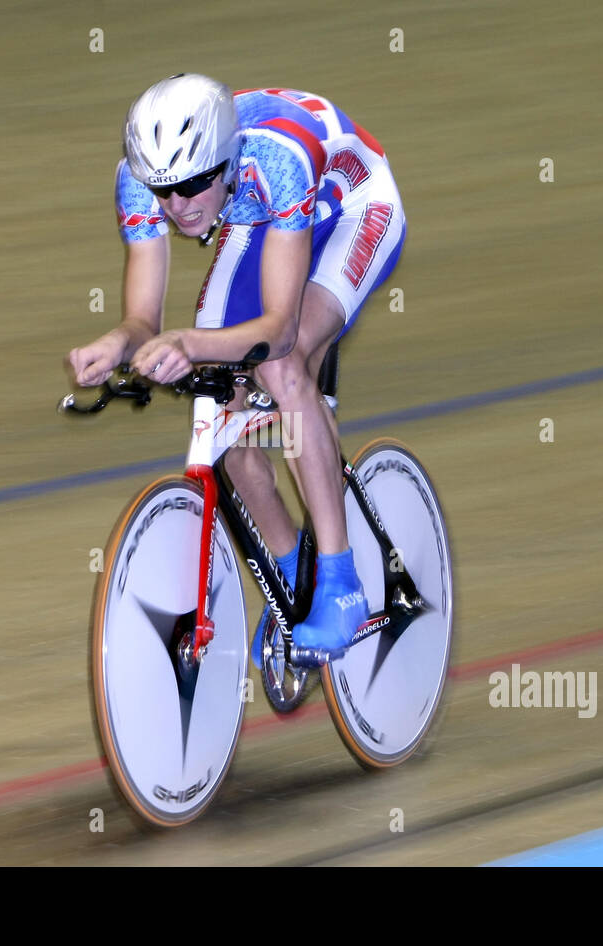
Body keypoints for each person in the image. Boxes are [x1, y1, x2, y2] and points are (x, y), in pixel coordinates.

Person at [66, 74, 406, 668]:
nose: (176, 208)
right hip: (261, 214)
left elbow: (276, 330)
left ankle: (340, 581)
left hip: (353, 203)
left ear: (223, 163)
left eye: (193, 186)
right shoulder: (145, 182)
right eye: (162, 191)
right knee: (219, 410)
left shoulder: (275, 158)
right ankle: (292, 578)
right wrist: (119, 343)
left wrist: (190, 343)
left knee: (281, 366)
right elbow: (143, 319)